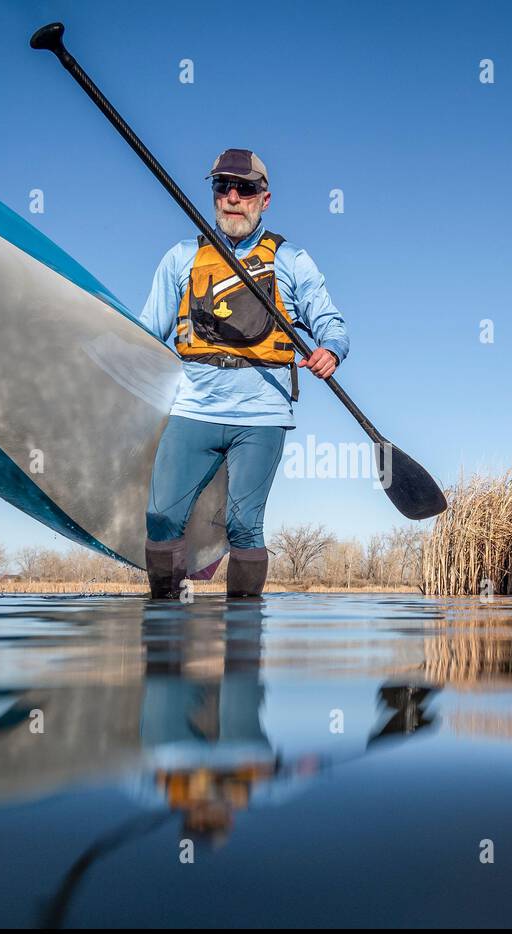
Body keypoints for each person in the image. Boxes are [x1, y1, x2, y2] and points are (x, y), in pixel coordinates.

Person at [139, 148, 349, 598]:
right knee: (160, 516)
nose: (234, 197)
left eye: (246, 188)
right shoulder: (180, 257)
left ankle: (243, 642)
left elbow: (330, 322)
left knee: (243, 525)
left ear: (264, 198)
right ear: (214, 195)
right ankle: (162, 629)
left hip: (261, 415)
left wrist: (331, 349)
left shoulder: (292, 260)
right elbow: (146, 336)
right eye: (223, 187)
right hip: (194, 406)